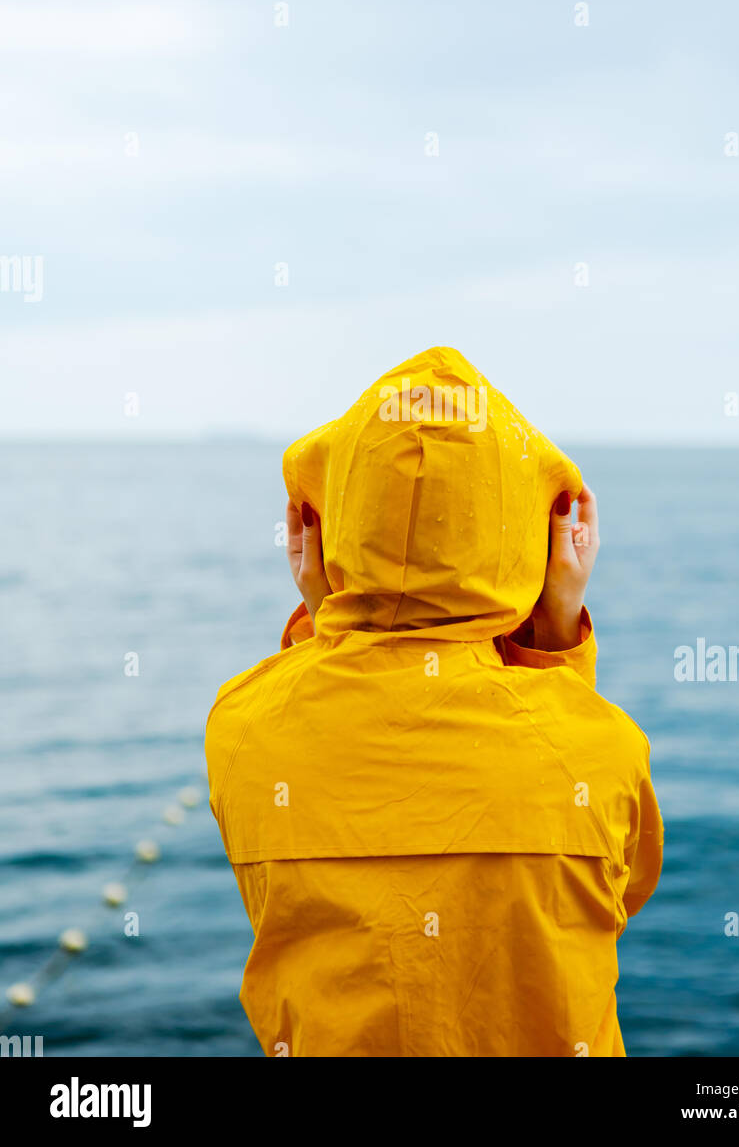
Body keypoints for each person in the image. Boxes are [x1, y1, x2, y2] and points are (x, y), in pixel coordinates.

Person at [206, 346, 663, 1057]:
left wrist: (330, 609)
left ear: (328, 528)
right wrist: (558, 634)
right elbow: (611, 895)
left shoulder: (239, 728)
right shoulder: (601, 744)